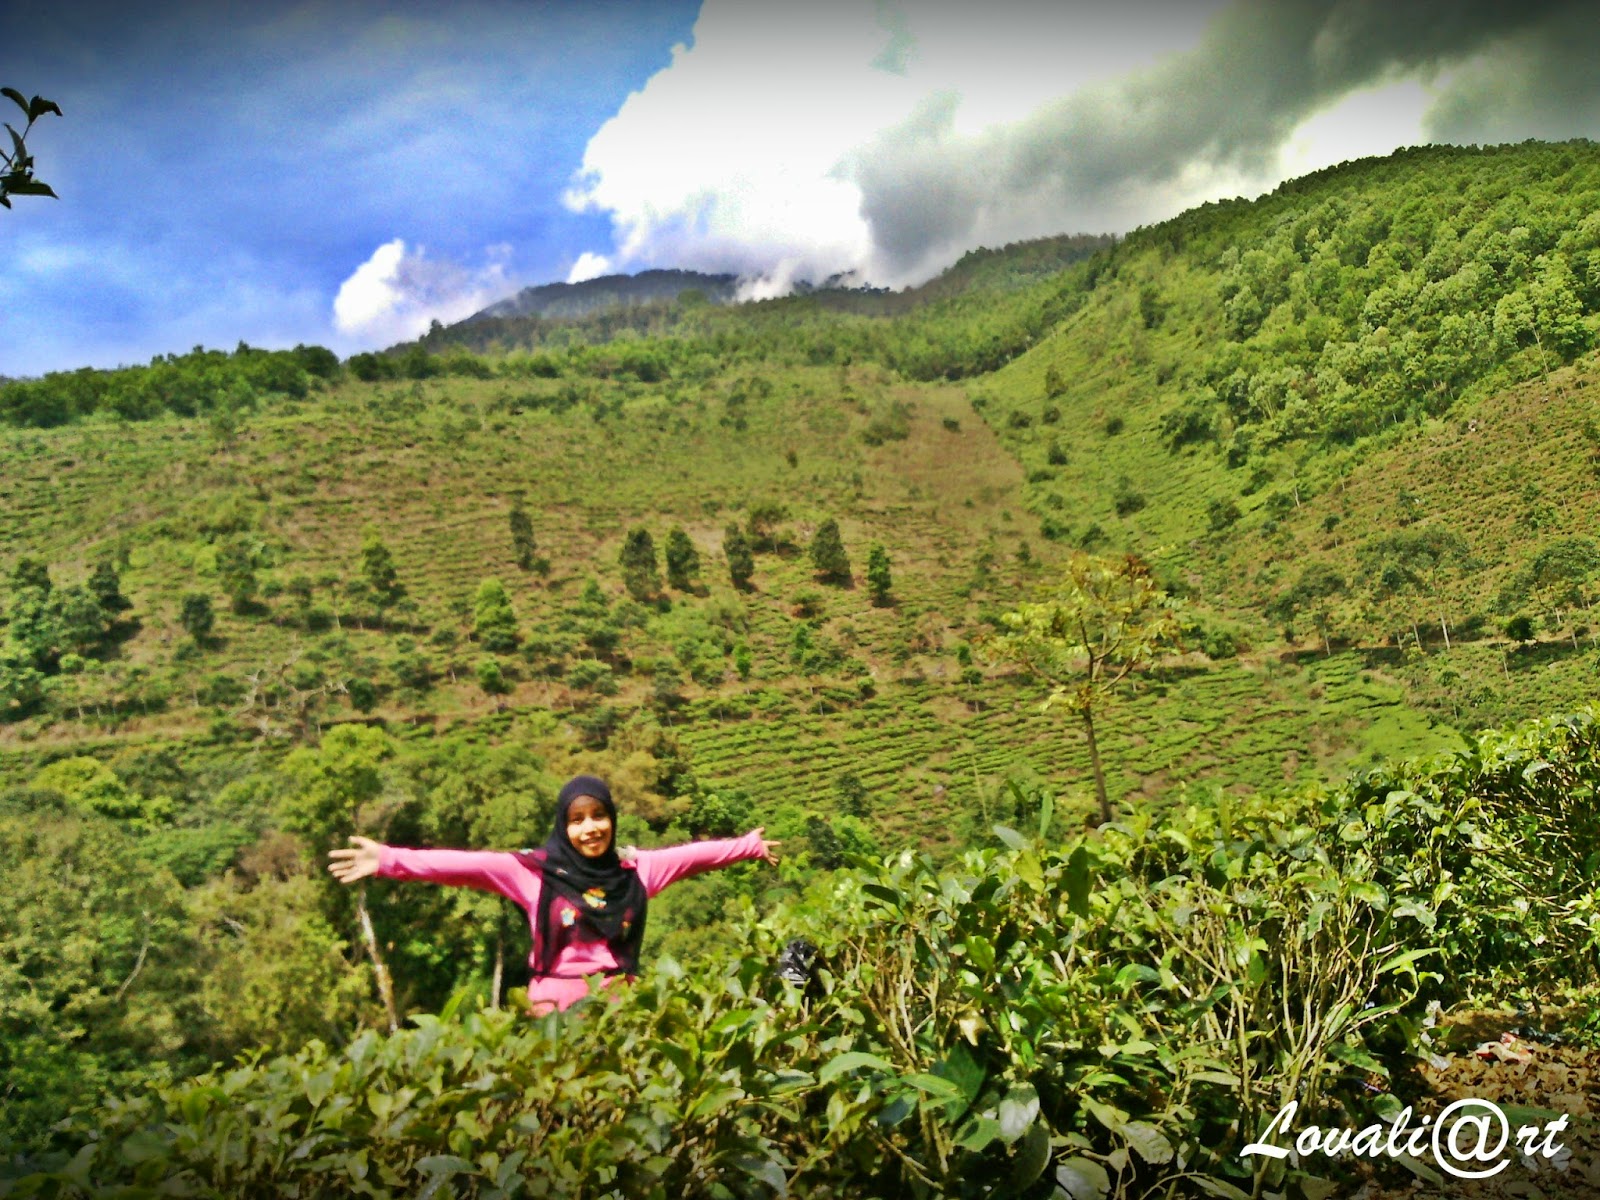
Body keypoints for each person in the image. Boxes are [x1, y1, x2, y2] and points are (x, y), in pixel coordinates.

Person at [327, 774, 780, 1014]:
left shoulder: (636, 869)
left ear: (612, 818)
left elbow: (695, 856)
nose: (590, 828)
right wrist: (387, 860)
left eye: (598, 815)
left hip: (621, 1004)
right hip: (553, 1007)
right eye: (577, 819)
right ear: (564, 825)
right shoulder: (533, 872)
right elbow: (459, 865)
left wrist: (747, 847)